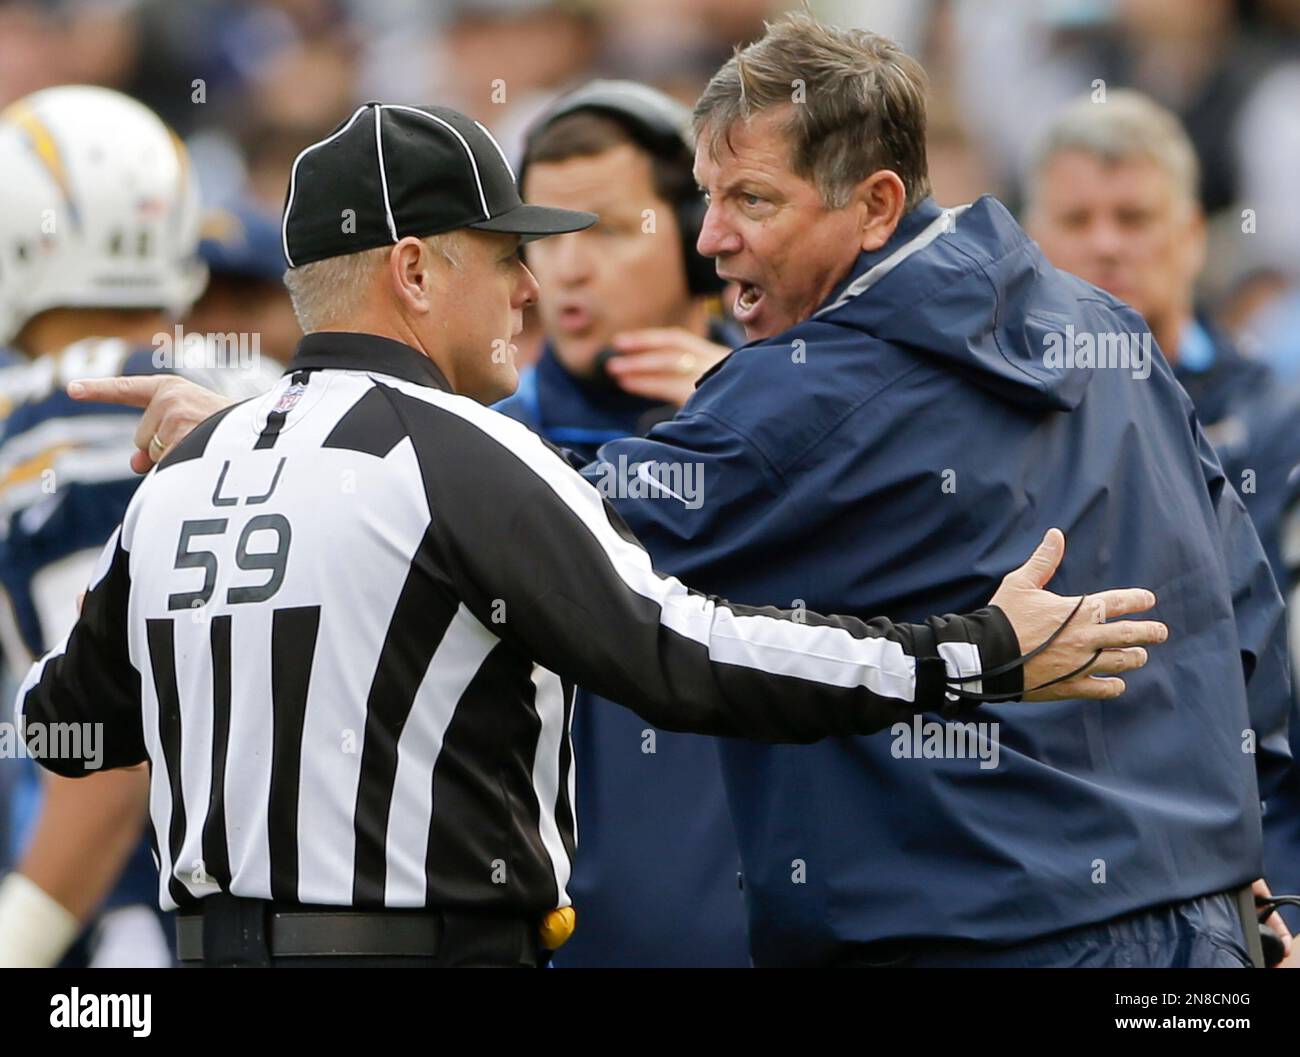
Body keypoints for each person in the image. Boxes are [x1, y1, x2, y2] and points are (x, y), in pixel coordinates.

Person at [16, 100, 1162, 969]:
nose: (532, 285)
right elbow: (689, 659)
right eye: (506, 252)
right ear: (413, 271)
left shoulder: (182, 478)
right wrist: (969, 652)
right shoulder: (464, 450)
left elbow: (65, 732)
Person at [1026, 90, 1300, 942]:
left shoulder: (1280, 421)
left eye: (1135, 216)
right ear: (1029, 243)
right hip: (1060, 880)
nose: (1107, 242)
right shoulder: (996, 425)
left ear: (1189, 236)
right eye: (1078, 217)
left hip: (1258, 865)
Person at [0, 85, 258, 968]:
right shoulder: (265, 383)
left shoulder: (58, 416)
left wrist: (20, 938)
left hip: (148, 915)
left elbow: (111, 747)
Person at [495, 81, 747, 967]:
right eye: (545, 235)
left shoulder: (799, 416)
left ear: (692, 233)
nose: (568, 266)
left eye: (603, 228)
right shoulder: (481, 441)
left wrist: (749, 413)